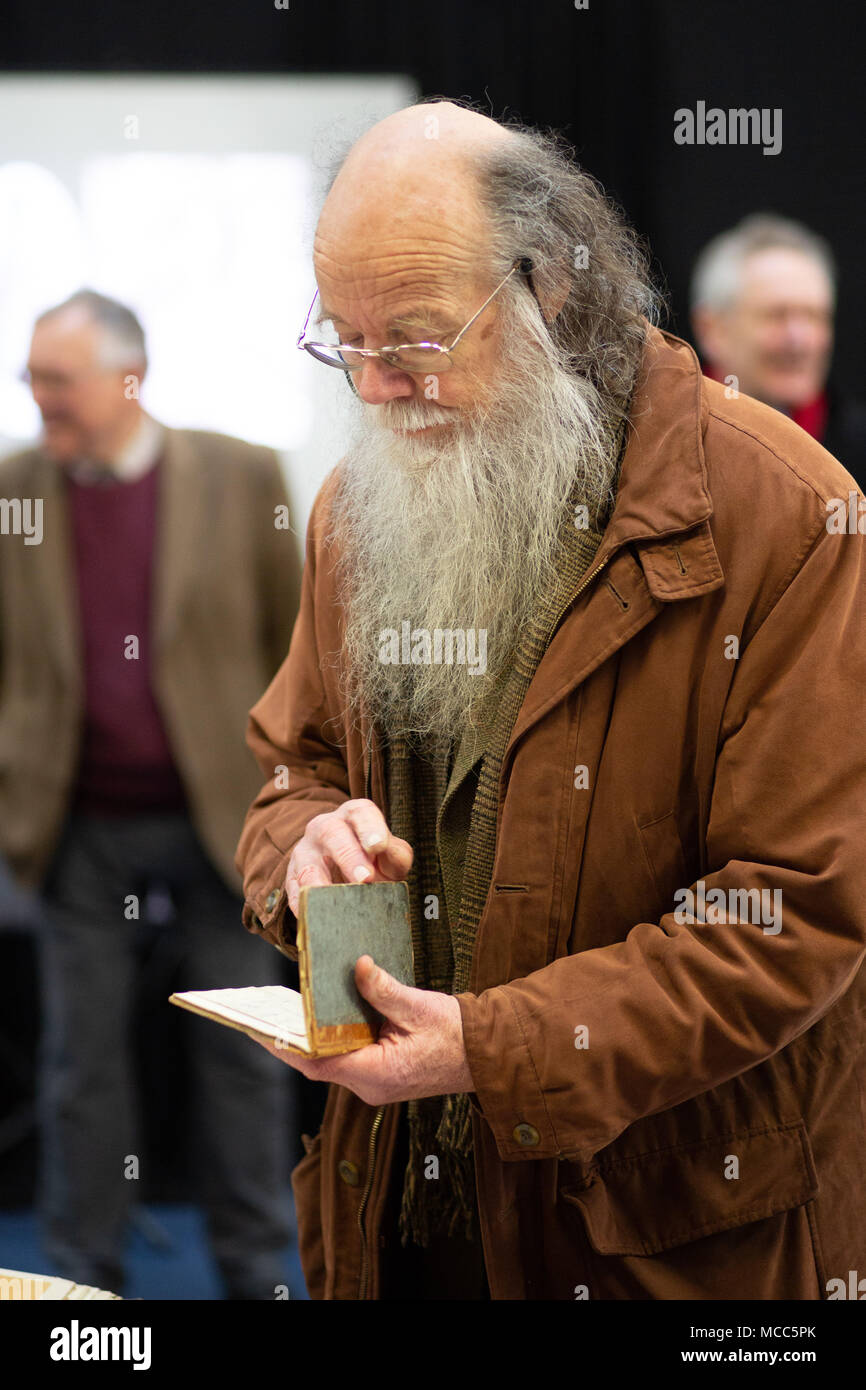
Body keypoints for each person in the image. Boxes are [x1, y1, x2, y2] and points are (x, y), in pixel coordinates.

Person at [236, 100, 866, 1300]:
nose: (372, 390)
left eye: (412, 342)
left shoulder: (785, 517)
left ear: (549, 291)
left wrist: (494, 1050)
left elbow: (790, 916)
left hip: (656, 1237)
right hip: (396, 1215)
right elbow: (290, 768)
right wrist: (301, 848)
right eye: (342, 340)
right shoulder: (352, 510)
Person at [0, 289, 302, 1298]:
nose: (38, 398)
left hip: (222, 822)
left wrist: (289, 791)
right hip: (76, 826)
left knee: (243, 1059)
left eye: (58, 380)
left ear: (130, 380)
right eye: (31, 376)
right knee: (79, 1069)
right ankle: (80, 1286)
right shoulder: (17, 489)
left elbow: (293, 643)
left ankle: (258, 1274)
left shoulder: (240, 473)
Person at [690, 213, 866, 485]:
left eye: (814, 316)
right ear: (712, 330)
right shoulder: (665, 441)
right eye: (775, 315)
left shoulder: (856, 449)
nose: (799, 339)